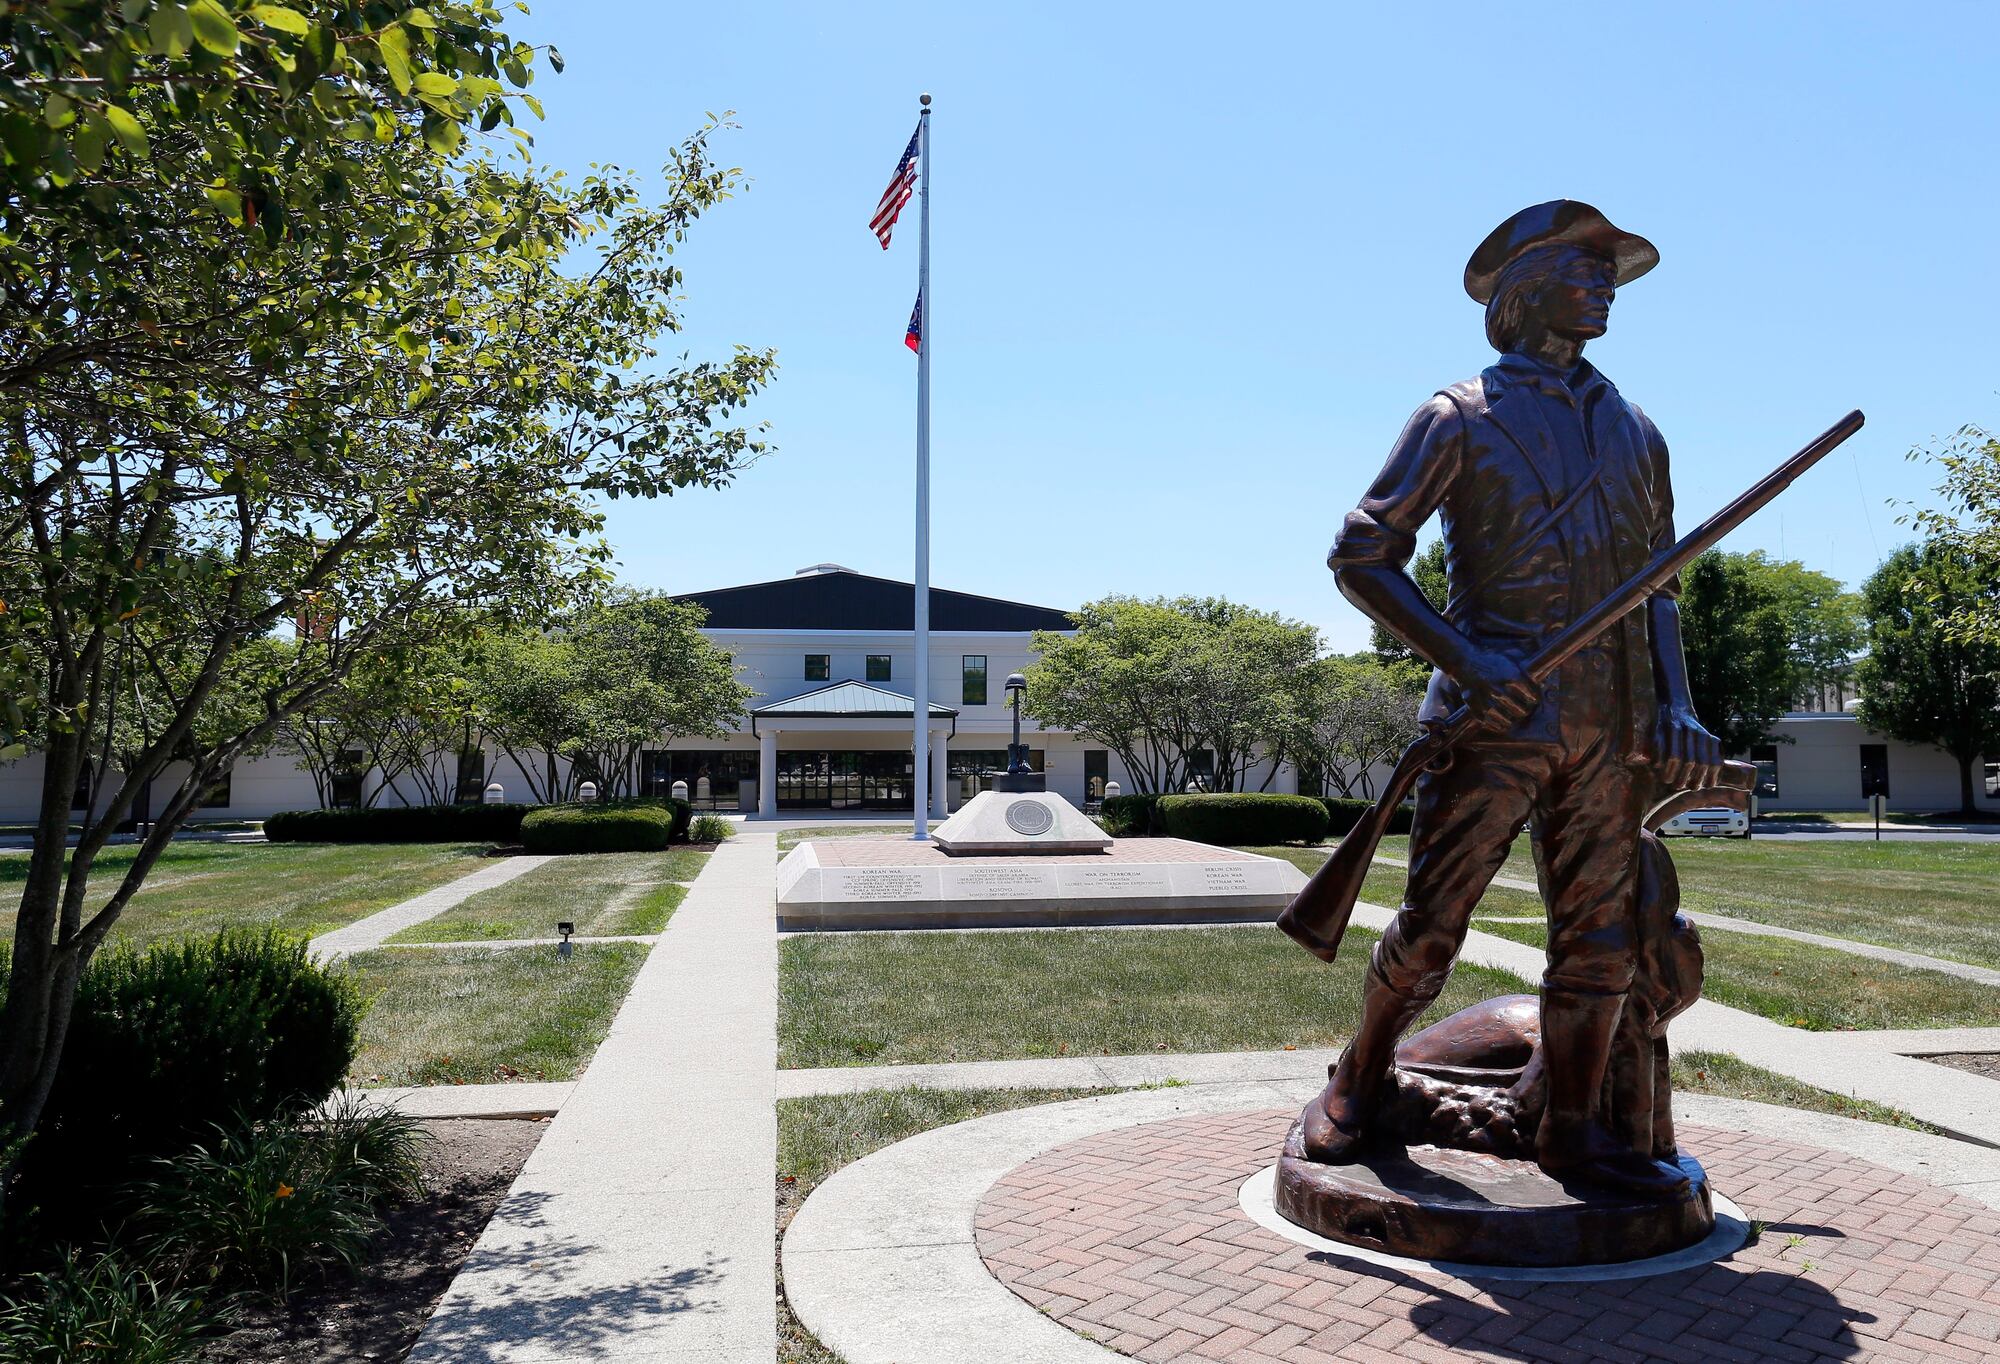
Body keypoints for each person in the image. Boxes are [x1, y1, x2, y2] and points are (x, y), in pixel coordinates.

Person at [1300, 201, 1724, 1197]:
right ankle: (1359, 1076)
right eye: (1585, 273)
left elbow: (1658, 582)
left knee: (1599, 939)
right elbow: (1361, 554)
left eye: (1608, 277)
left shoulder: (1636, 430)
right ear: (1527, 287)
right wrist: (1466, 657)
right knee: (1431, 927)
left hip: (1606, 725)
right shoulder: (1457, 415)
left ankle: (1566, 1127)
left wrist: (1676, 702)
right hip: (1489, 719)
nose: (1604, 289)